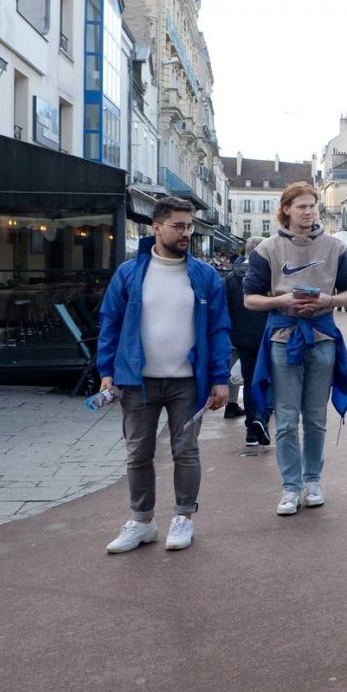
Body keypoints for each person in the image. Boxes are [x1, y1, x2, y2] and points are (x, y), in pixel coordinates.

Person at [95, 197, 232, 554]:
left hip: (188, 381)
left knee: (185, 450)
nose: (186, 232)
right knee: (137, 452)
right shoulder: (129, 273)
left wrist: (221, 378)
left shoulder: (204, 275)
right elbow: (110, 323)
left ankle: (184, 517)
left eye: (189, 226)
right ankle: (142, 522)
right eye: (178, 226)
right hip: (138, 380)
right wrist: (106, 371)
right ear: (156, 227)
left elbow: (219, 329)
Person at [244, 183, 347, 516]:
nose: (309, 212)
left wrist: (329, 300)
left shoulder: (335, 247)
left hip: (322, 336)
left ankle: (312, 481)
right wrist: (281, 300)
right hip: (283, 337)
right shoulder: (266, 249)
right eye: (302, 207)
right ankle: (290, 487)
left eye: (313, 207)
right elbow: (250, 299)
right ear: (287, 209)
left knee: (316, 417)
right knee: (287, 417)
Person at [224, 237, 271, 446]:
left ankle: (252, 428)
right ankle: (261, 420)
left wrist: (231, 335)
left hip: (242, 338)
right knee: (270, 380)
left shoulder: (230, 277)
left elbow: (225, 308)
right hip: (268, 336)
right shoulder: (269, 274)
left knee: (251, 381)